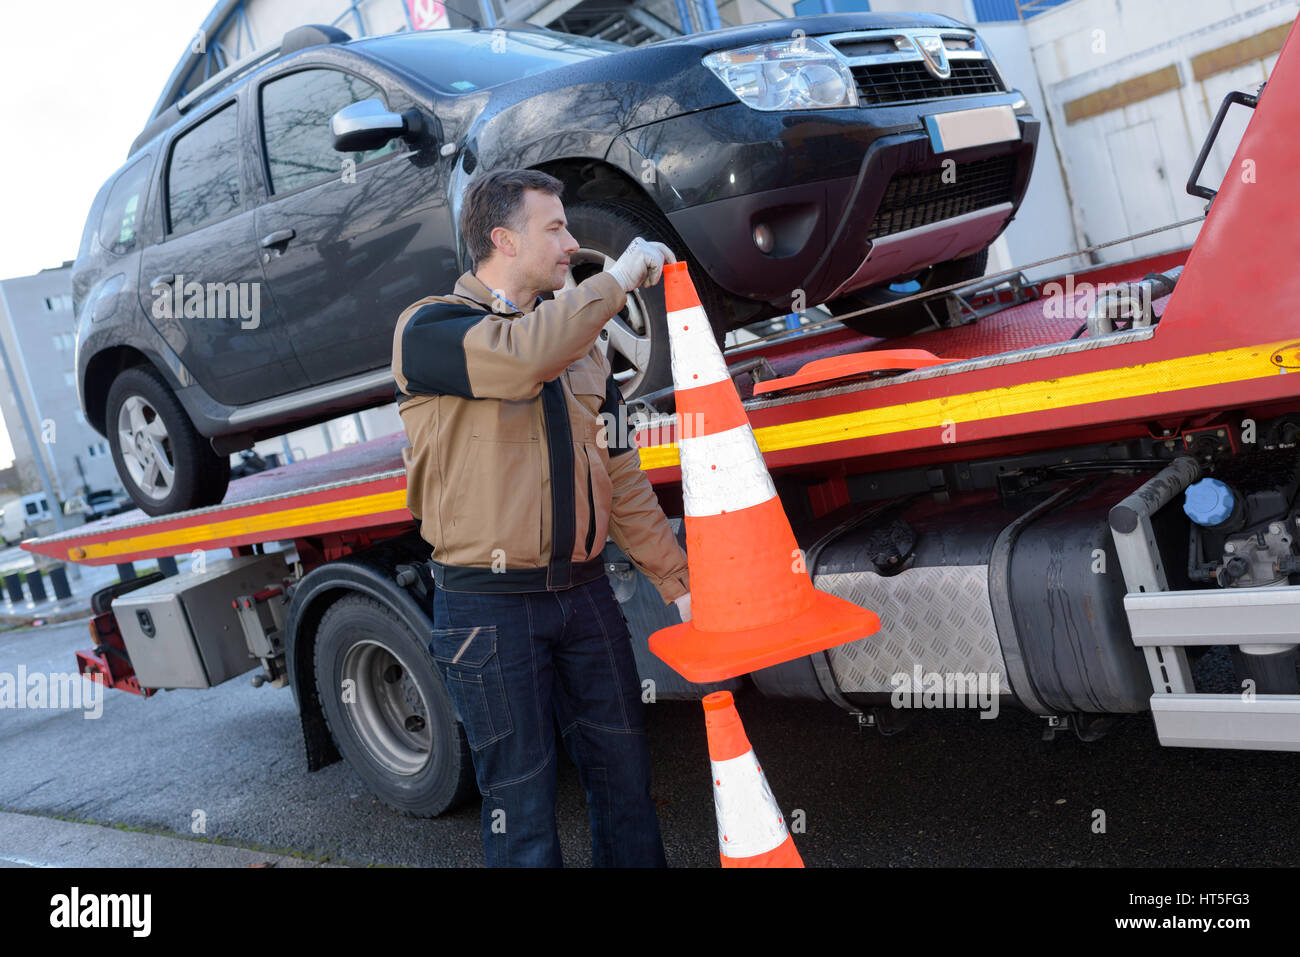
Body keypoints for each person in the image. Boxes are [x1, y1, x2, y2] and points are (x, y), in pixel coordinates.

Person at [391, 168, 692, 867]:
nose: (571, 242)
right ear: (503, 239)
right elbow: (521, 359)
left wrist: (678, 582)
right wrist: (614, 281)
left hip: (586, 596)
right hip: (488, 610)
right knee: (523, 811)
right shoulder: (432, 328)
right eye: (555, 227)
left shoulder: (583, 345)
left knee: (627, 787)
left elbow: (621, 470)